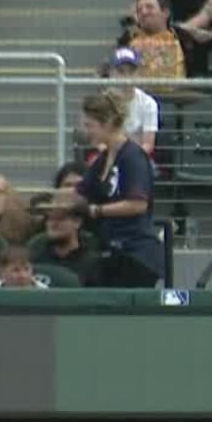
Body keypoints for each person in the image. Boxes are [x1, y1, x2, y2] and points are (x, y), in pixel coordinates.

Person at [73, 92, 165, 288]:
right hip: (111, 249)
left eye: (90, 125)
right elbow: (80, 191)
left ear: (107, 123)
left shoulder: (133, 157)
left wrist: (97, 210)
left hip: (135, 253)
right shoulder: (103, 159)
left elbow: (137, 204)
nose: (86, 131)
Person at [102, 48, 160, 157]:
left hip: (137, 156)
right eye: (121, 71)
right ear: (111, 73)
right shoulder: (102, 101)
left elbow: (148, 144)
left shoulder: (149, 103)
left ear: (138, 73)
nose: (126, 76)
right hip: (107, 155)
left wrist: (131, 159)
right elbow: (99, 142)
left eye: (131, 71)